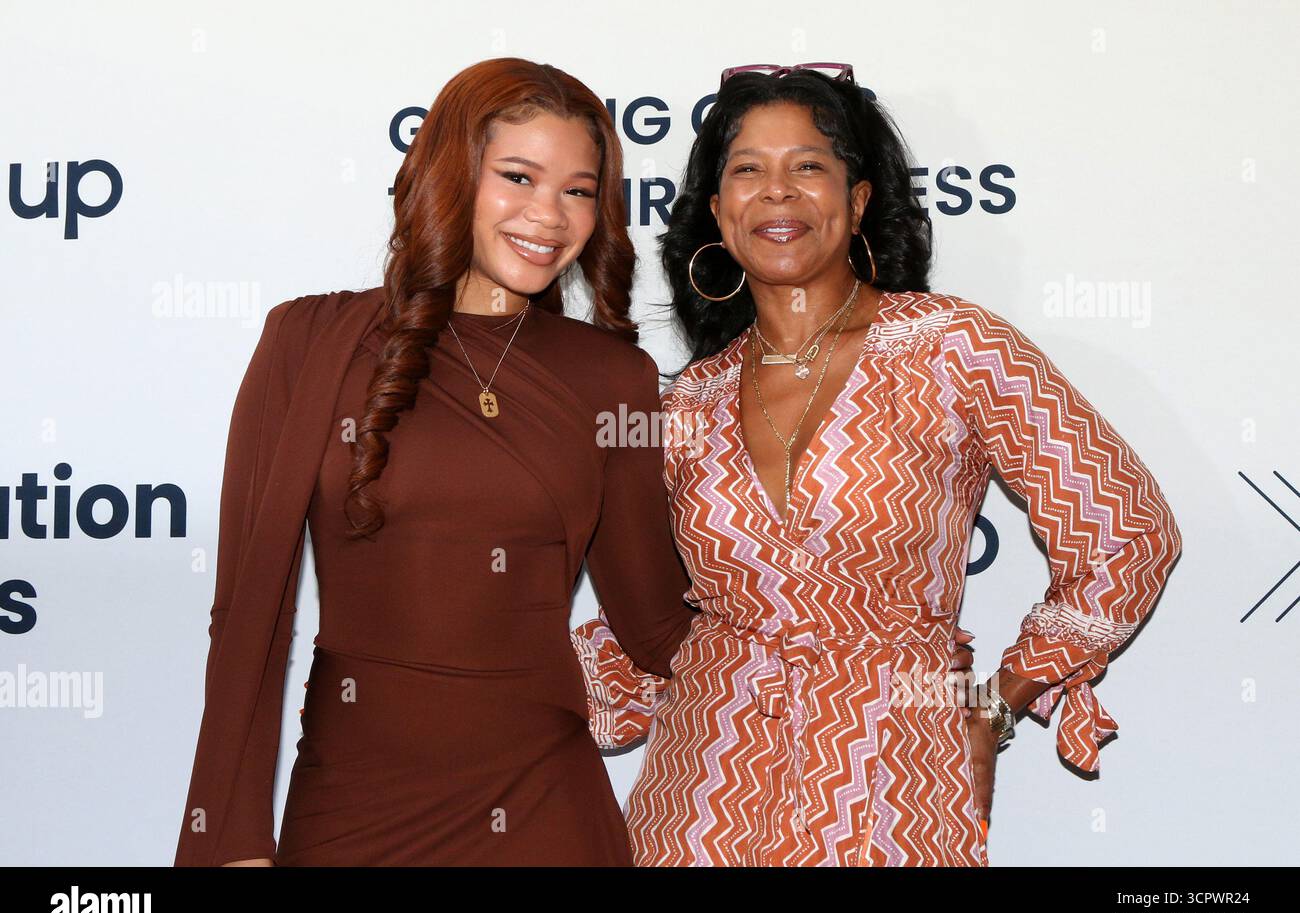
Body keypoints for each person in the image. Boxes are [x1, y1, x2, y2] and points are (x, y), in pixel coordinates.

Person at [570, 63, 1182, 866]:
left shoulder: (952, 347)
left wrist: (997, 707)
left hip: (899, 775)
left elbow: (1127, 532)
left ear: (857, 200)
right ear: (717, 213)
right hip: (704, 792)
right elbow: (652, 619)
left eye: (809, 166)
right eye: (747, 170)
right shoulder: (690, 401)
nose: (778, 192)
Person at [174, 57, 702, 866]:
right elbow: (249, 616)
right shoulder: (308, 343)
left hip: (544, 808)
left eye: (579, 190)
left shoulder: (612, 377)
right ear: (451, 174)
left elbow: (658, 623)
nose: (550, 215)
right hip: (352, 804)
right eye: (519, 176)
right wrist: (231, 838)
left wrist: (859, 649)